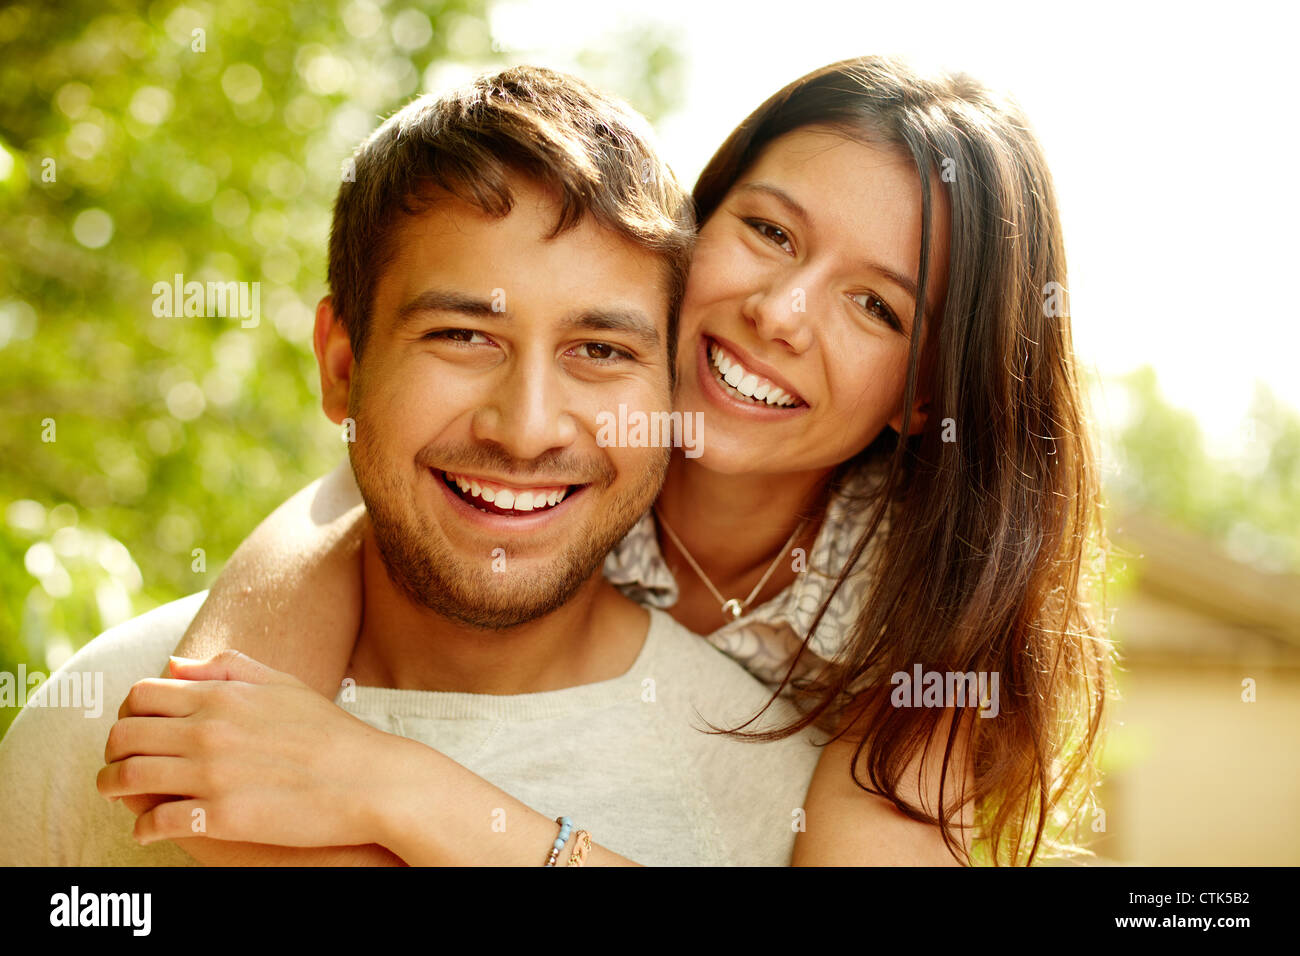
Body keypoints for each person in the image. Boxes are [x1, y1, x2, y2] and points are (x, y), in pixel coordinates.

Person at [143, 56, 1112, 866]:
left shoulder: (928, 617)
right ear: (684, 238)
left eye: (876, 306)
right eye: (768, 232)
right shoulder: (553, 452)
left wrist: (402, 787)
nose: (780, 312)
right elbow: (211, 740)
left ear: (927, 394)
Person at [0, 66, 825, 868]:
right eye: (463, 337)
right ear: (341, 366)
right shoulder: (100, 719)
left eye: (600, 350)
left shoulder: (771, 794)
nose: (527, 429)